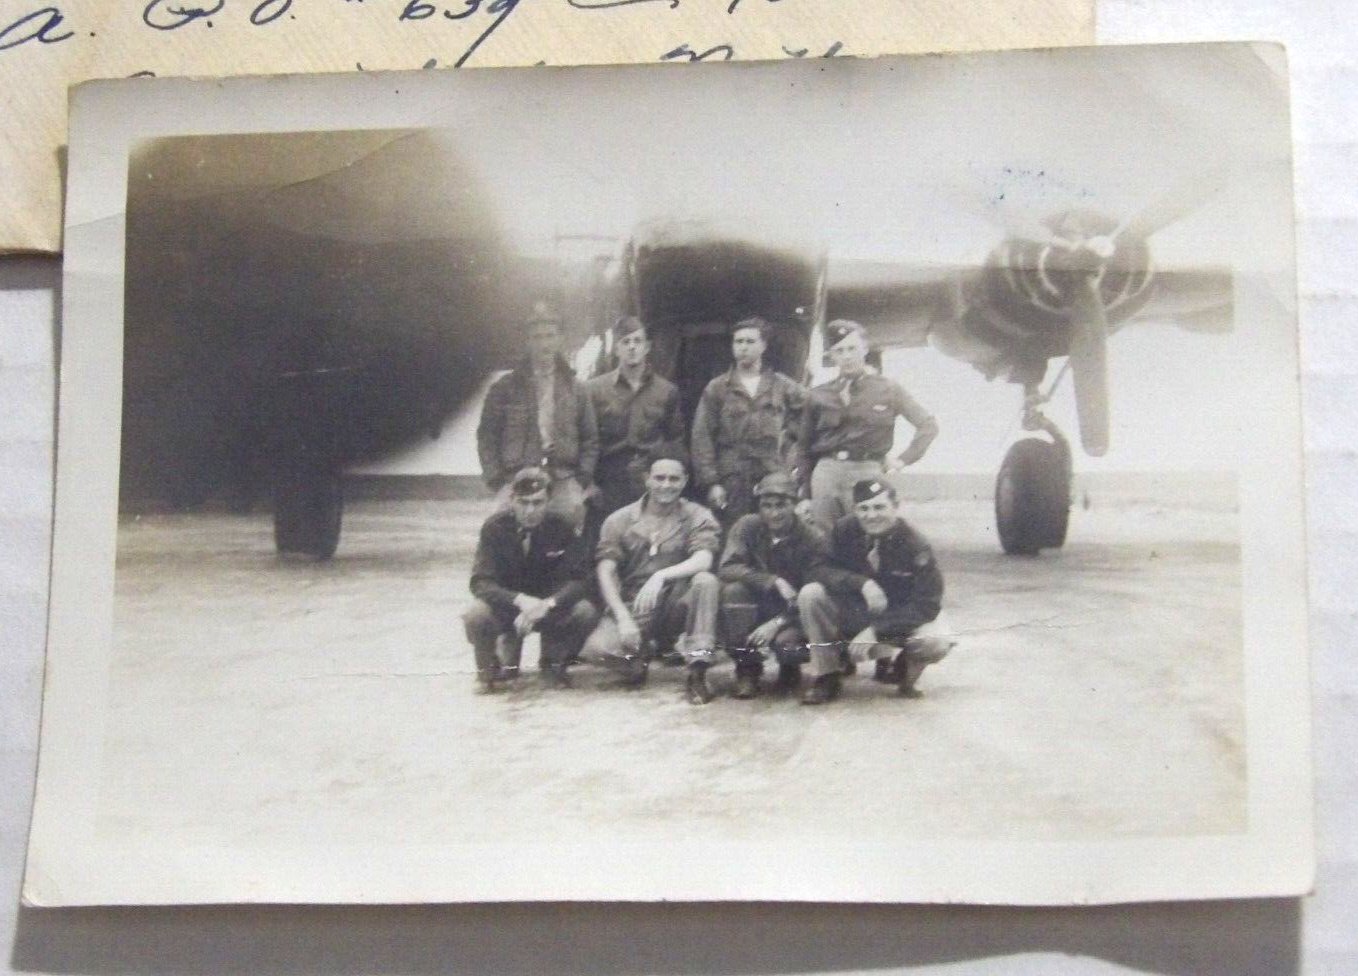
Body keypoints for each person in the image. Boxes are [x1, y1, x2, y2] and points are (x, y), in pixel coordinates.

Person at [796, 478, 955, 705]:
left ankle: (905, 670)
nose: (871, 516)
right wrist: (860, 583)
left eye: (879, 507)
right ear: (855, 510)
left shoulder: (916, 544)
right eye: (864, 508)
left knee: (935, 641)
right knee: (811, 594)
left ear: (895, 506)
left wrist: (877, 630)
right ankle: (827, 675)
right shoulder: (844, 529)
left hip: (899, 615)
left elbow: (927, 604)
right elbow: (817, 569)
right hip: (857, 608)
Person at [580, 454, 723, 704]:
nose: (666, 485)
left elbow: (704, 560)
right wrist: (623, 618)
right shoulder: (620, 519)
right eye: (659, 478)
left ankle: (698, 670)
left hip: (677, 598)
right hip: (637, 601)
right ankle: (640, 657)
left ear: (685, 481)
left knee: (705, 581)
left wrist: (661, 575)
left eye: (674, 479)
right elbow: (606, 571)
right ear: (647, 479)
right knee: (597, 649)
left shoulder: (697, 515)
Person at [463, 468, 599, 693]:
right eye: (523, 502)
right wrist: (519, 600)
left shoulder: (563, 527)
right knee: (476, 615)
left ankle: (553, 663)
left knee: (585, 612)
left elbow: (580, 580)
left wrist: (548, 604)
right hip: (509, 608)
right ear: (511, 500)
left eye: (538, 502)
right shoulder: (494, 528)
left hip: (549, 610)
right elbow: (480, 582)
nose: (530, 510)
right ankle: (489, 672)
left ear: (549, 501)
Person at [802, 319, 938, 531]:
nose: (846, 356)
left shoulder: (889, 389)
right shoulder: (819, 394)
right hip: (826, 472)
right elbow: (804, 447)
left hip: (866, 470)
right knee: (824, 538)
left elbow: (928, 425)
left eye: (852, 348)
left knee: (869, 533)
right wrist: (804, 494)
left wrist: (903, 460)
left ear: (865, 349)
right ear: (832, 355)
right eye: (839, 350)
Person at [476, 303, 598, 529]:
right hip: (516, 478)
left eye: (550, 336)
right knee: (500, 527)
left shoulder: (577, 389)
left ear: (560, 339)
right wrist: (498, 482)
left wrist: (580, 481)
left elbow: (590, 439)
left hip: (563, 477)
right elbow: (487, 437)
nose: (545, 343)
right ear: (528, 341)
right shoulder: (505, 388)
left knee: (571, 524)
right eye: (538, 337)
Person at [716, 470, 828, 699]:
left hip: (792, 614)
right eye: (767, 505)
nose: (774, 513)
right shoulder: (748, 526)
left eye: (781, 505)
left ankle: (790, 668)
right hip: (757, 603)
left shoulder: (812, 539)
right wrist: (772, 580)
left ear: (794, 504)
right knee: (733, 592)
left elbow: (813, 595)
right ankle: (747, 669)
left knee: (790, 647)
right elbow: (727, 567)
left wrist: (777, 623)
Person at [691, 317, 807, 527]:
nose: (743, 347)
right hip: (733, 477)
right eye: (738, 342)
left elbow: (809, 419)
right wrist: (711, 483)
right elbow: (702, 437)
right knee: (736, 532)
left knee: (776, 528)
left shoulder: (782, 385)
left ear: (763, 345)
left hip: (772, 472)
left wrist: (792, 456)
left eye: (750, 342)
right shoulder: (717, 388)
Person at [584, 316, 685, 522]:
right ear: (616, 349)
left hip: (652, 479)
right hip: (609, 479)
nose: (632, 347)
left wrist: (671, 481)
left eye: (637, 341)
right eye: (625, 342)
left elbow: (675, 441)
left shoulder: (666, 391)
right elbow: (586, 440)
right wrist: (588, 483)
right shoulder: (594, 390)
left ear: (647, 347)